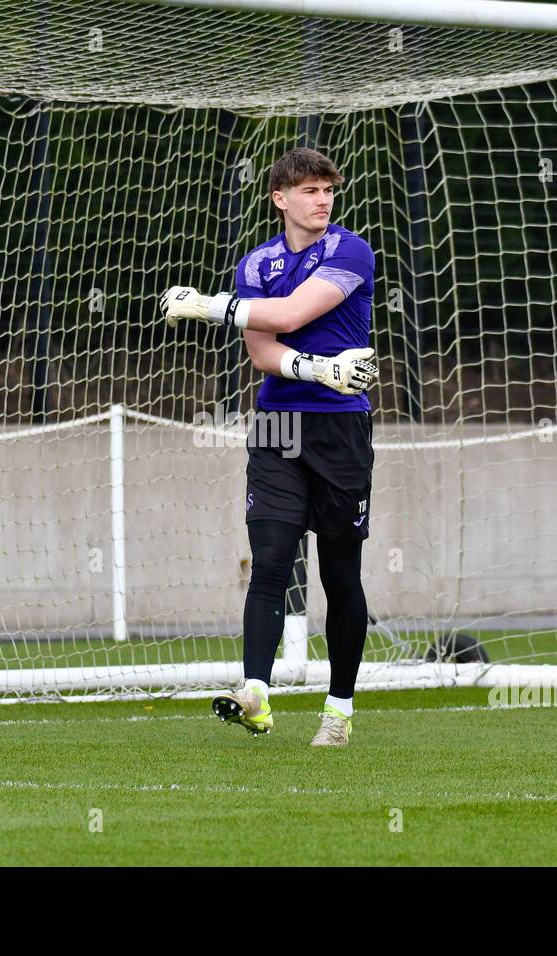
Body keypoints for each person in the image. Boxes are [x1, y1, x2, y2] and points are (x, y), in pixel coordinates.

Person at [159, 147, 378, 747]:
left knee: (340, 573)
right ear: (280, 198)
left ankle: (339, 710)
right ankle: (255, 690)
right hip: (279, 424)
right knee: (271, 560)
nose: (323, 200)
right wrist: (316, 369)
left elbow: (292, 311)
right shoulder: (257, 262)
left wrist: (207, 307)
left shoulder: (350, 250)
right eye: (310, 190)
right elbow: (263, 350)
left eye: (328, 190)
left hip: (340, 430)